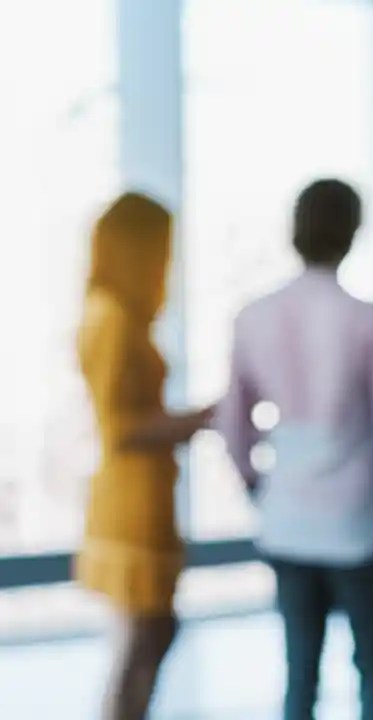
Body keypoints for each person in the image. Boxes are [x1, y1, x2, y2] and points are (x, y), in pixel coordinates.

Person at [215, 179, 373, 720]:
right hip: (359, 522)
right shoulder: (372, 319)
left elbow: (232, 424)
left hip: (288, 517)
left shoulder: (253, 316)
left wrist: (255, 484)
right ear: (352, 232)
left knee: (299, 673)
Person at [75, 192, 212, 720]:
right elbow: (120, 427)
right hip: (131, 495)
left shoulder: (115, 313)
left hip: (142, 488)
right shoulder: (111, 317)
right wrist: (200, 419)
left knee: (148, 638)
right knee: (139, 645)